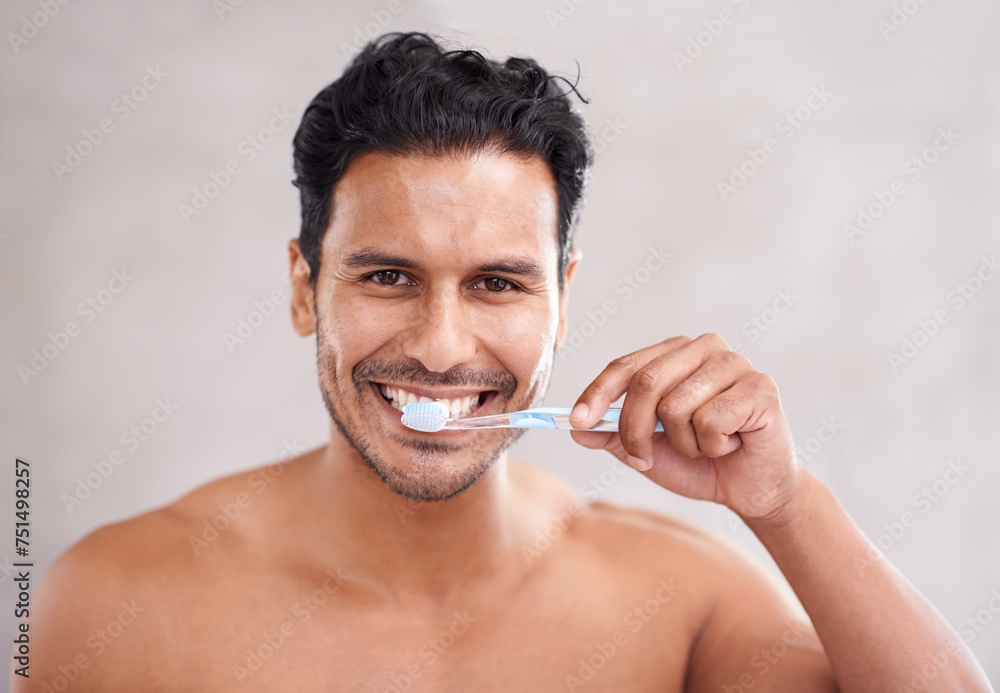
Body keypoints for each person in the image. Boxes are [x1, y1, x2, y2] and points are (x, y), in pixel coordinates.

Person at [17, 32, 993, 692]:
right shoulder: (111, 604)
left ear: (561, 298)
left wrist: (787, 506)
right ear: (304, 285)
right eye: (389, 275)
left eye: (497, 284)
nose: (442, 349)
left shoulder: (682, 609)